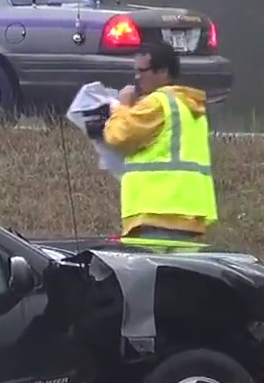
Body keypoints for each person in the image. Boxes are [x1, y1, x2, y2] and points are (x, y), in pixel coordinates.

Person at [85, 41, 218, 242]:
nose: (137, 77)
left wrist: (121, 106)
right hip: (187, 213)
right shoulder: (188, 106)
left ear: (163, 71)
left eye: (143, 70)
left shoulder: (157, 104)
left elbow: (119, 136)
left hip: (158, 213)